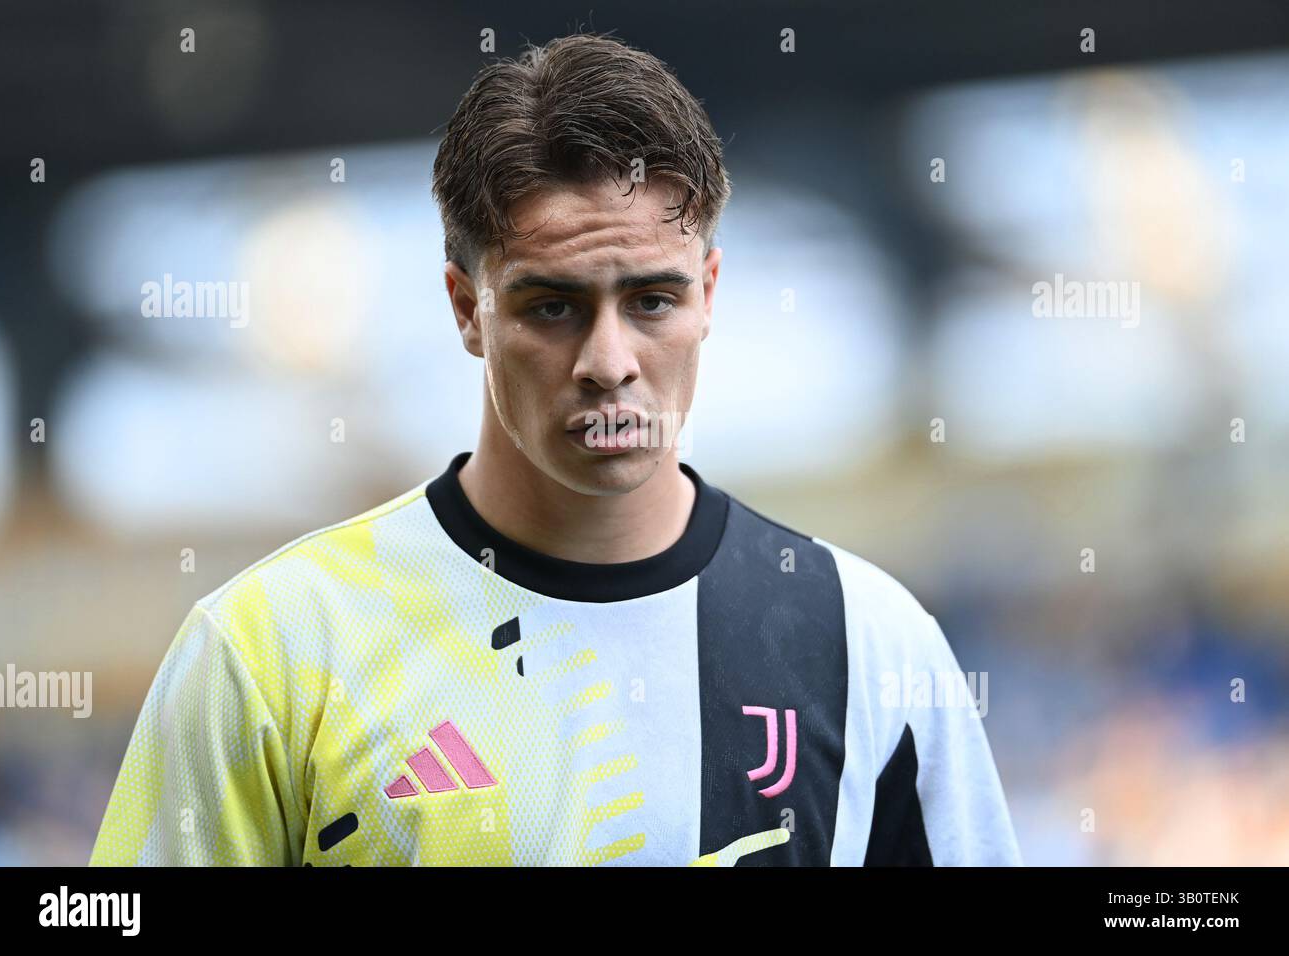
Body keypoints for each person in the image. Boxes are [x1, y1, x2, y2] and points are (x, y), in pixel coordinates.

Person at [90, 32, 1020, 866]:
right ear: (468, 308)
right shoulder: (270, 650)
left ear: (710, 293)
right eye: (552, 307)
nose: (608, 363)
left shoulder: (870, 642)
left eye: (652, 300)